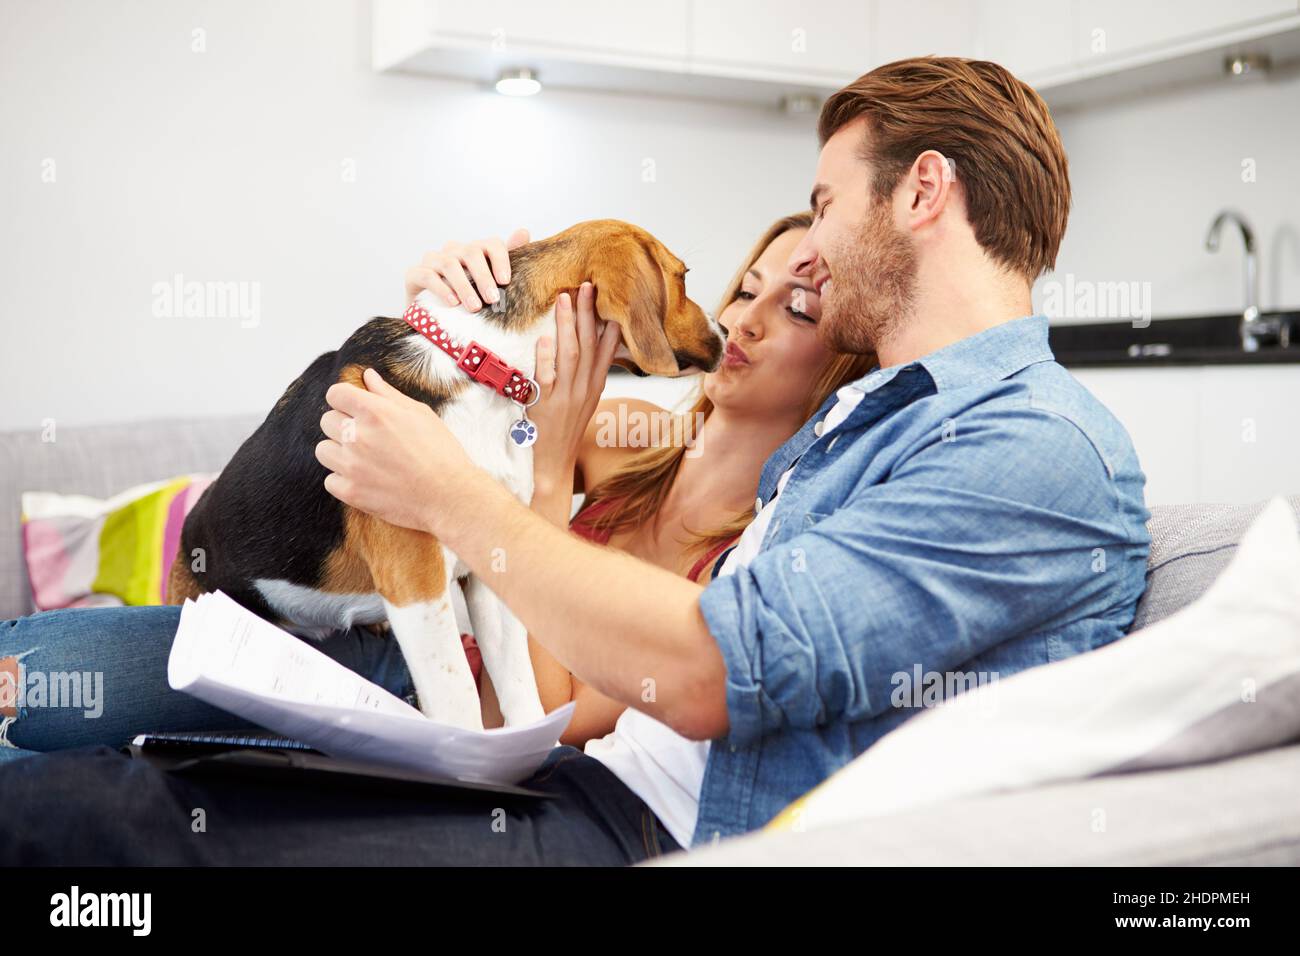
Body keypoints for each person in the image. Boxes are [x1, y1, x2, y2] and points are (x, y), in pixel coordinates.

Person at [0, 56, 1150, 865]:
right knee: (60, 724)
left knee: (104, 821)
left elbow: (712, 669)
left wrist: (457, 496)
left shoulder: (1031, 445)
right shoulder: (858, 428)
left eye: (821, 202)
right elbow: (494, 411)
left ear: (923, 190)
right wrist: (455, 324)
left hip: (606, 799)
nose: (793, 269)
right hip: (509, 740)